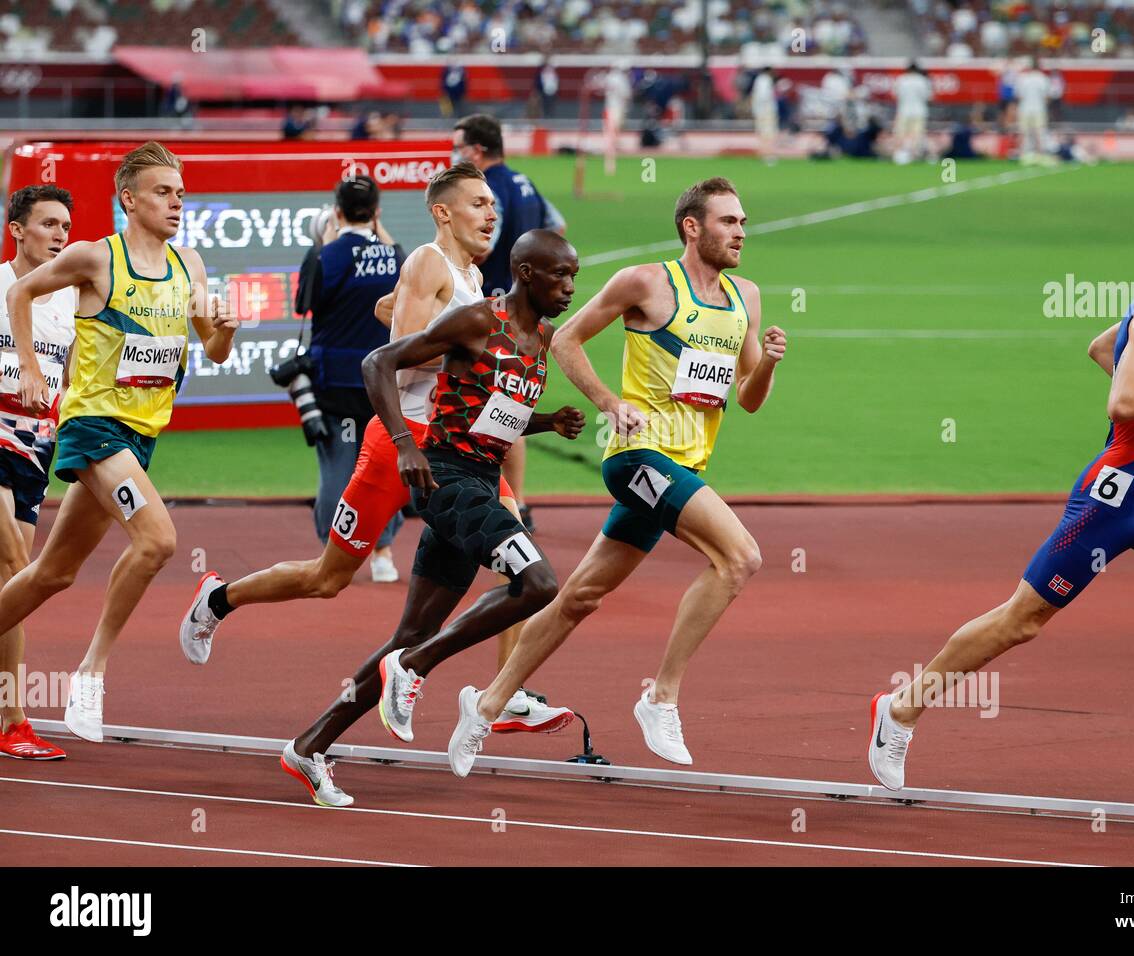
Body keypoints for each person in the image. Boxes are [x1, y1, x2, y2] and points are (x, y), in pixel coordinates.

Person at [867, 187, 1134, 808]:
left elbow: (1102, 349)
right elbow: (1123, 402)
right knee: (1021, 620)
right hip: (1115, 497)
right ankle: (899, 708)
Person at [427, 178, 787, 775]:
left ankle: (484, 705)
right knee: (740, 557)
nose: (741, 231)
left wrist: (768, 363)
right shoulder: (645, 282)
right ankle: (661, 697)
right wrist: (608, 403)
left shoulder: (745, 296)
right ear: (692, 227)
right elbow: (566, 338)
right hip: (639, 458)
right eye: (729, 221)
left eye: (743, 221)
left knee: (579, 598)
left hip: (686, 466)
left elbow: (747, 400)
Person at [280, 230, 584, 806]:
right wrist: (404, 444)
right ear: (523, 272)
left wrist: (546, 422)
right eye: (559, 275)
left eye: (573, 275)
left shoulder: (539, 338)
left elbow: (492, 412)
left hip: (476, 478)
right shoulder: (475, 322)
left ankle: (309, 745)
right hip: (444, 477)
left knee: (411, 631)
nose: (569, 288)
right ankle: (416, 669)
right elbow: (379, 362)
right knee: (538, 583)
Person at [0, 141, 237, 741]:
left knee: (51, 573)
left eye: (181, 192)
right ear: (128, 199)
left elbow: (210, 347)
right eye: (163, 192)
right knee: (157, 540)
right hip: (93, 429)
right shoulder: (94, 259)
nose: (176, 202)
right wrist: (30, 366)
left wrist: (225, 333)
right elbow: (19, 292)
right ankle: (91, 672)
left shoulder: (192, 267)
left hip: (140, 436)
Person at [451, 113, 567, 532]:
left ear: (477, 150)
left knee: (495, 410)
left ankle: (503, 504)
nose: (454, 153)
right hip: (524, 311)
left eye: (459, 145)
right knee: (510, 408)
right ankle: (518, 502)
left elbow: (483, 248)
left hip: (494, 309)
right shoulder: (524, 182)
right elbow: (557, 228)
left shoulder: (488, 190)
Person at [0, 185, 78, 760]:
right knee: (15, 565)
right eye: (48, 223)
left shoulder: (73, 301)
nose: (60, 234)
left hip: (35, 450)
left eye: (66, 226)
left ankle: (9, 716)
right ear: (17, 229)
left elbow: (74, 383)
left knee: (13, 587)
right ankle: (14, 716)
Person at [299, 175, 406, 582]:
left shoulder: (325, 257)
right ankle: (383, 554)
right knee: (381, 467)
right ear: (377, 213)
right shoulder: (397, 256)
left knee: (337, 469)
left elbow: (305, 304)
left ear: (337, 212)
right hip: (381, 382)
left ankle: (333, 554)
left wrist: (327, 242)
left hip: (333, 382)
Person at [892, 61, 931, 163]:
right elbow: (928, 96)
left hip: (904, 111)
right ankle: (912, 155)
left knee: (901, 134)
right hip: (918, 111)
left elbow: (895, 94)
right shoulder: (922, 80)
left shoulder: (901, 79)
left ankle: (900, 155)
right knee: (916, 135)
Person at [1015, 58, 1051, 163]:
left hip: (1024, 109)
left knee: (1024, 132)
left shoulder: (1023, 78)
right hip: (1039, 109)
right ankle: (1040, 155)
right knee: (1040, 132)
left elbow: (1019, 96)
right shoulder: (1043, 78)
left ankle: (1023, 155)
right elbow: (1047, 97)